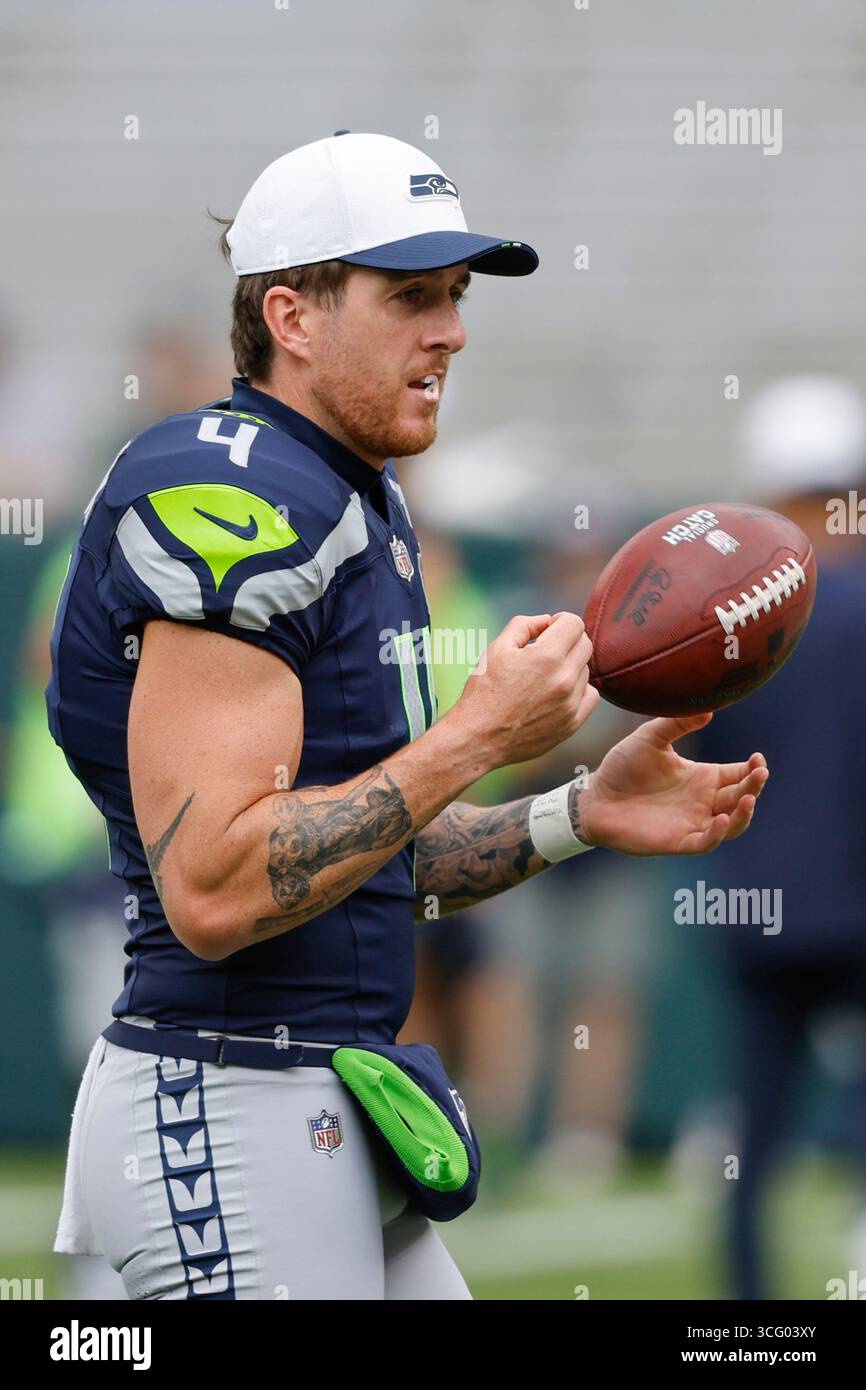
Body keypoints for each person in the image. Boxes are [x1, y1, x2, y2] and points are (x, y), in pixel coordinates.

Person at [48, 131, 768, 1300]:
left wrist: (578, 809)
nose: (452, 330)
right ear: (290, 315)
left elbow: (367, 851)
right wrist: (479, 731)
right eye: (410, 297)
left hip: (327, 1094)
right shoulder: (232, 494)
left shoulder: (356, 496)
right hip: (224, 1097)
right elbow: (219, 889)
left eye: (455, 296)